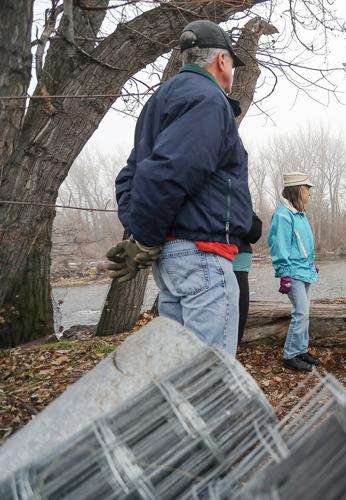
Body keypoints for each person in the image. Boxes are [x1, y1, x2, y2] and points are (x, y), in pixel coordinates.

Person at [109, 20, 252, 356]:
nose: (232, 73)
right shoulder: (207, 100)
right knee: (209, 379)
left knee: (182, 375)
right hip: (202, 256)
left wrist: (138, 233)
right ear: (221, 61)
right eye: (232, 64)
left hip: (175, 261)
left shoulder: (161, 100)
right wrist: (144, 237)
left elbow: (130, 175)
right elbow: (171, 172)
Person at [268, 172, 320, 372]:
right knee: (300, 312)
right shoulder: (283, 215)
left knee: (304, 313)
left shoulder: (299, 214)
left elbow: (302, 244)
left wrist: (311, 263)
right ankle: (290, 355)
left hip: (304, 270)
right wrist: (284, 273)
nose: (309, 193)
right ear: (298, 189)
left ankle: (301, 350)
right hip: (293, 272)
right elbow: (279, 246)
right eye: (307, 189)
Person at [234, 211, 263, 346]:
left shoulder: (240, 201)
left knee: (239, 311)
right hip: (221, 255)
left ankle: (231, 350)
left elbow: (255, 232)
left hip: (239, 258)